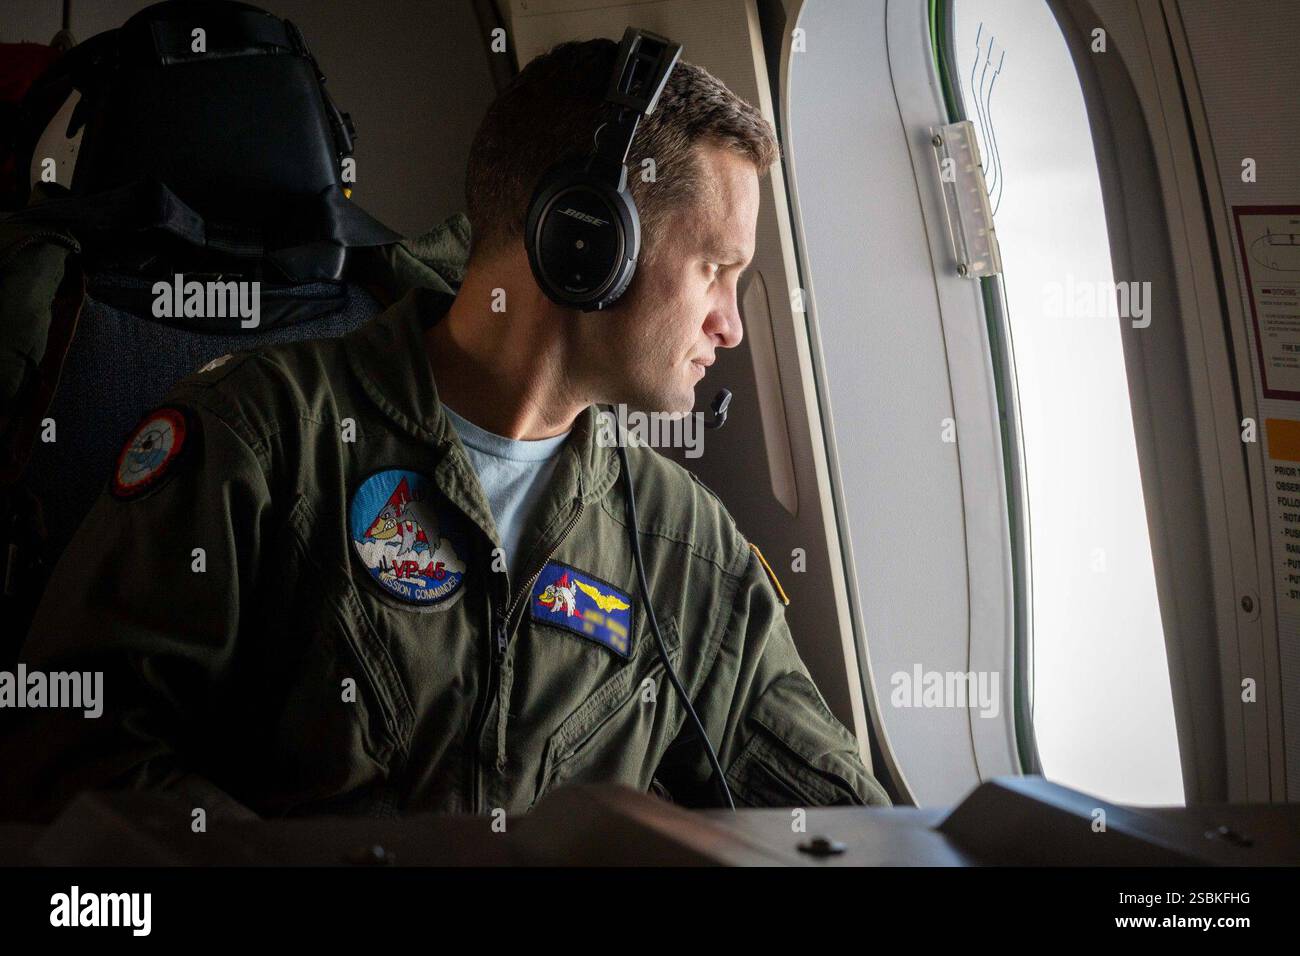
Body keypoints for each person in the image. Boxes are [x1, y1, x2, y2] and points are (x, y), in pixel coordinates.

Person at [0, 36, 891, 821]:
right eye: (715, 270)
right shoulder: (258, 446)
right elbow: (71, 765)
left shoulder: (682, 546)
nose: (731, 326)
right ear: (584, 240)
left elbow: (837, 820)